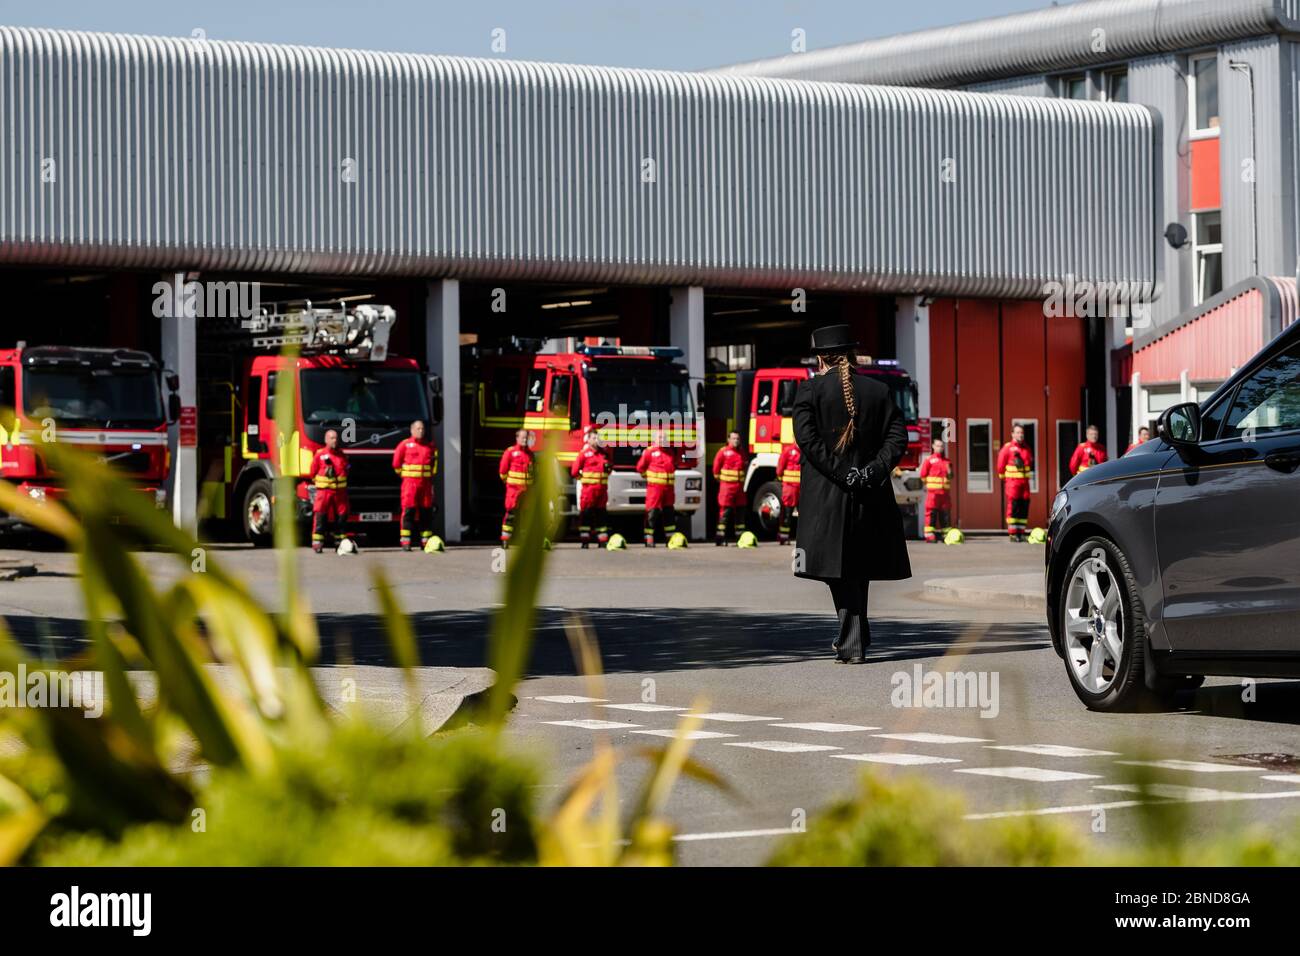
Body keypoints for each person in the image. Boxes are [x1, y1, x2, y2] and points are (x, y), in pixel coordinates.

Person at [792, 324, 911, 663]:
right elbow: (897, 438)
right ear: (852, 354)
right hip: (871, 494)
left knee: (839, 570)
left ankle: (853, 641)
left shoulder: (809, 391)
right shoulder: (878, 390)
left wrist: (844, 473)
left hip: (829, 496)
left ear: (821, 359)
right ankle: (855, 638)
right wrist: (871, 471)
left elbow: (809, 442)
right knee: (856, 569)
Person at [392, 419, 438, 551]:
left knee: (426, 512)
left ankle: (425, 541)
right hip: (410, 484)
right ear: (412, 430)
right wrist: (406, 476)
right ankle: (406, 541)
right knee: (408, 512)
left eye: (422, 429)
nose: (421, 431)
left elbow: (434, 466)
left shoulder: (430, 446)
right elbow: (396, 463)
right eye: (418, 429)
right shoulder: (405, 445)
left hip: (426, 485)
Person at [309, 428, 354, 553]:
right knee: (320, 517)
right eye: (332, 438)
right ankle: (317, 543)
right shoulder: (320, 454)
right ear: (326, 440)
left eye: (336, 438)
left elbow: (346, 469)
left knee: (341, 518)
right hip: (324, 492)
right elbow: (312, 472)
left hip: (340, 493)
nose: (335, 440)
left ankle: (339, 543)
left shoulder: (341, 454)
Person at [571, 426, 612, 548]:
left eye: (598, 438)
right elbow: (574, 471)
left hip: (602, 491)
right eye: (594, 438)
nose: (596, 440)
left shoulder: (604, 454)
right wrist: (584, 480)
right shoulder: (584, 454)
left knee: (601, 516)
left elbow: (609, 468)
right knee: (586, 516)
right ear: (588, 440)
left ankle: (602, 540)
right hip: (588, 491)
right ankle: (585, 541)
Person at [636, 429, 678, 547]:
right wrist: (649, 478)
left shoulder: (670, 452)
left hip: (669, 489)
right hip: (655, 489)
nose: (662, 440)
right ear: (655, 439)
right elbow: (640, 467)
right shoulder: (650, 452)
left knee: (669, 513)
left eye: (664, 438)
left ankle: (670, 539)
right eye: (660, 438)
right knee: (652, 513)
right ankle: (649, 539)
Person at [996, 424, 1033, 542]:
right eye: (1017, 432)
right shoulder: (1007, 448)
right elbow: (1000, 466)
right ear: (1012, 434)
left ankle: (1021, 532)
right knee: (1014, 507)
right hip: (1013, 484)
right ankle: (1013, 533)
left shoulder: (1027, 448)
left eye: (1021, 433)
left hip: (1025, 484)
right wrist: (1006, 479)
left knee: (1024, 507)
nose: (1020, 435)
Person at [498, 428, 534, 548]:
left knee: (525, 516)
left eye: (527, 437)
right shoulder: (510, 452)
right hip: (513, 490)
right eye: (523, 437)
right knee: (511, 514)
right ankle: (505, 539)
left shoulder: (530, 454)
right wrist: (509, 484)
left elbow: (533, 473)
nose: (525, 440)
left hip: (526, 491)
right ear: (517, 438)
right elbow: (503, 471)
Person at [712, 430, 747, 546]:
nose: (736, 440)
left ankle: (740, 538)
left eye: (737, 438)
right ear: (728, 440)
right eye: (733, 438)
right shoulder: (723, 452)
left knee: (740, 513)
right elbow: (716, 470)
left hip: (739, 489)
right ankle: (720, 538)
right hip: (727, 488)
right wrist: (723, 481)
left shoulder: (742, 452)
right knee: (725, 513)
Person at [918, 438, 952, 543]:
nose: (940, 448)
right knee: (931, 515)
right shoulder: (929, 460)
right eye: (937, 446)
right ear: (933, 446)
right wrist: (931, 485)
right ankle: (929, 536)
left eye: (941, 446)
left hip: (945, 494)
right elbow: (923, 475)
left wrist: (950, 472)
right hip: (933, 494)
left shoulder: (947, 461)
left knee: (945, 515)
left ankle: (946, 536)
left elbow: (950, 476)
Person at [775, 441, 801, 545]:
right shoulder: (788, 451)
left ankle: (800, 537)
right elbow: (779, 470)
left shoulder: (804, 450)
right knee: (787, 513)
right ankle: (783, 537)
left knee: (803, 514)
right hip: (790, 487)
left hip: (802, 488)